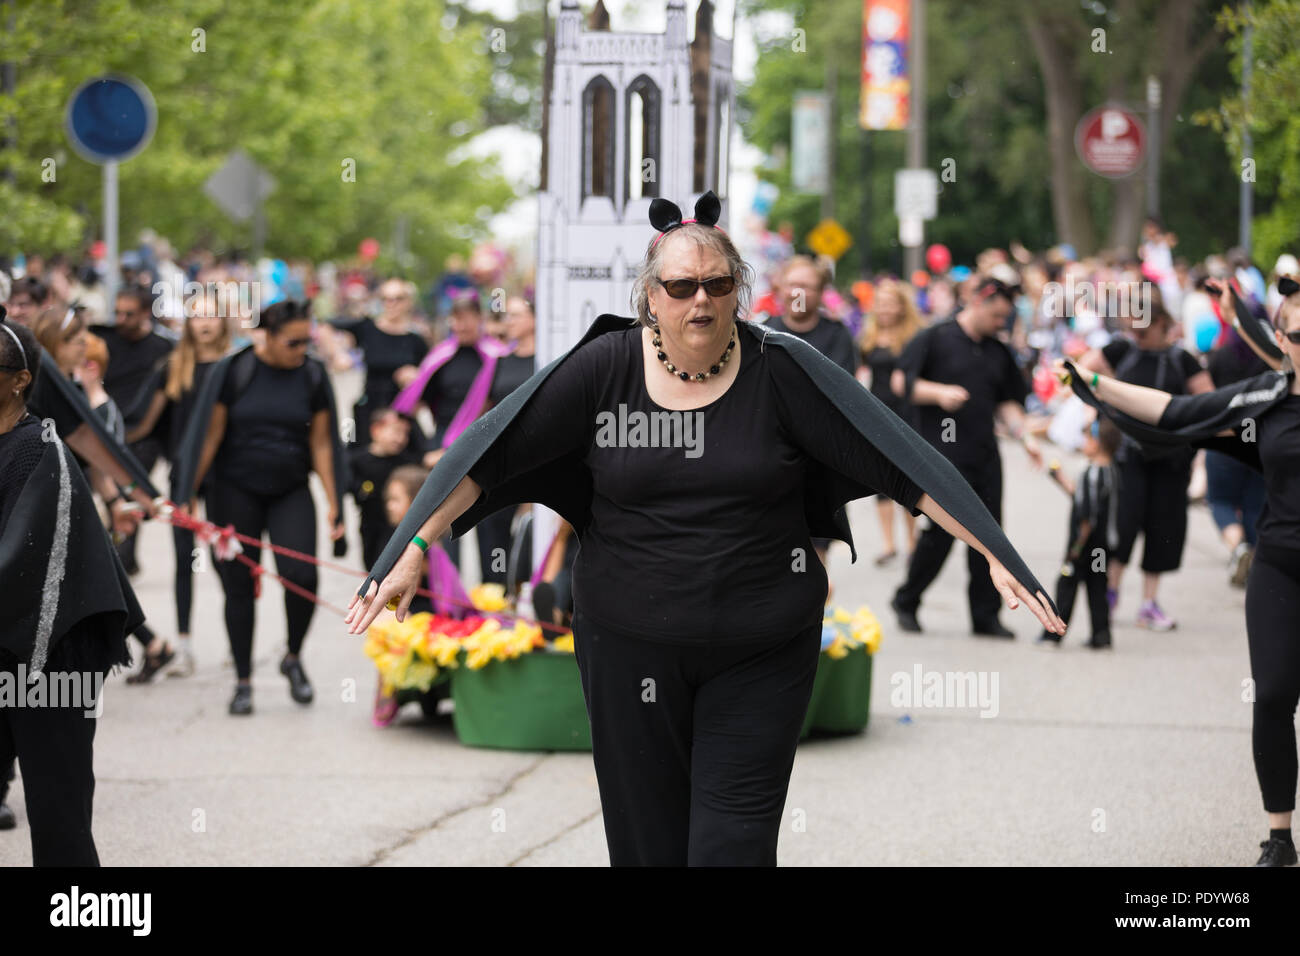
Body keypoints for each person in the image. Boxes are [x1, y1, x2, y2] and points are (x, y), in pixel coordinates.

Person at [347, 192, 1065, 866]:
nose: (701, 300)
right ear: (650, 297)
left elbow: (899, 463)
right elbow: (494, 452)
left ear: (739, 293)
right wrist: (415, 545)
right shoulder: (603, 370)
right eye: (682, 286)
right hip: (629, 649)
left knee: (730, 848)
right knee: (649, 849)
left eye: (718, 285)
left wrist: (988, 548)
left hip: (761, 650)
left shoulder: (781, 372)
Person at [1058, 279, 1300, 866]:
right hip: (1281, 565)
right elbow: (1175, 411)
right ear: (1283, 341)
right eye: (1298, 330)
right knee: (1271, 696)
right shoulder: (1266, 398)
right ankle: (1279, 837)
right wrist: (1094, 383)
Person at [0, 306, 141, 866]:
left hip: (55, 658)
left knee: (59, 820)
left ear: (19, 380)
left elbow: (20, 563)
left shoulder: (41, 451)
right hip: (5, 642)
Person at [172, 300, 348, 715]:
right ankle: (244, 680)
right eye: (293, 341)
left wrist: (334, 500)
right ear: (265, 336)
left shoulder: (311, 374)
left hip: (289, 488)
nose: (302, 349)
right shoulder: (235, 371)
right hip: (234, 491)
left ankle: (292, 657)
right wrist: (188, 493)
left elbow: (321, 442)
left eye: (308, 340)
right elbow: (208, 438)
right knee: (238, 584)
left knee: (302, 575)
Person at [889, 276, 1044, 638]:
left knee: (990, 538)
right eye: (996, 315)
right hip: (940, 456)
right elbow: (901, 382)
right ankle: (907, 599)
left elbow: (1007, 402)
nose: (1001, 323)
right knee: (941, 535)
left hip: (984, 455)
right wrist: (938, 393)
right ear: (977, 301)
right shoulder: (936, 337)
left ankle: (985, 615)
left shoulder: (998, 350)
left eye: (1006, 318)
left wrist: (1025, 437)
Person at [31, 308, 175, 681]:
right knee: (93, 575)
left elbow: (92, 452)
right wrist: (135, 495)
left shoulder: (67, 388)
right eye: (73, 339)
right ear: (51, 344)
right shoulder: (42, 385)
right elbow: (89, 444)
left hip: (64, 503)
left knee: (98, 573)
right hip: (40, 505)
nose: (83, 345)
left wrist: (130, 497)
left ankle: (147, 644)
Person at [1076, 290, 1214, 629]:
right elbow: (1078, 372)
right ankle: (1110, 593)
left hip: (1171, 459)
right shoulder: (1121, 351)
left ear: (1164, 324)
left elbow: (1209, 400)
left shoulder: (1182, 360)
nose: (1137, 336)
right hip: (1128, 456)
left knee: (1163, 528)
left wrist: (1196, 444)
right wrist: (1093, 412)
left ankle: (1149, 604)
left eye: (1144, 330)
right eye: (1133, 329)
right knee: (1121, 526)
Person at [125, 292, 233, 676]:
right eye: (196, 316)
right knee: (184, 560)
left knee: (227, 559)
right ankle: (184, 646)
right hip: (183, 475)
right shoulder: (173, 367)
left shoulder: (233, 367)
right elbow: (142, 419)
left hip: (224, 476)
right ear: (187, 323)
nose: (204, 324)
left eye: (211, 316)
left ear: (223, 321)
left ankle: (238, 639)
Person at [390, 289, 510, 572]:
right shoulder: (440, 356)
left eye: (468, 318)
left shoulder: (498, 356)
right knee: (446, 521)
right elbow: (413, 404)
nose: (462, 325)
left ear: (480, 318)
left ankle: (494, 593)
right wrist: (427, 446)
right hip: (445, 444)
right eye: (457, 318)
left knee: (488, 521)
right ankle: (451, 598)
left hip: (486, 442)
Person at [90, 285, 175, 575]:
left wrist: (144, 430)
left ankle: (121, 563)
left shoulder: (164, 349)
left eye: (129, 314)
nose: (121, 319)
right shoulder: (102, 339)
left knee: (129, 494)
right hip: (102, 431)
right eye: (118, 313)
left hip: (142, 437)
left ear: (144, 314)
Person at [1038, 416, 1122, 649]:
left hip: (1083, 545)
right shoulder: (1112, 472)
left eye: (1086, 439)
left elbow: (1086, 516)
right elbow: (1085, 500)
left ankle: (1053, 635)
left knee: (1067, 584)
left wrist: (1075, 549)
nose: (1083, 444)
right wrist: (1061, 480)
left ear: (1096, 443)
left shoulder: (1090, 474)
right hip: (1102, 547)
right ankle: (1101, 636)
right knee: (1097, 587)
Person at [857, 278, 923, 565]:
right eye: (879, 304)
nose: (884, 309)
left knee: (908, 479)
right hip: (876, 412)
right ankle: (888, 544)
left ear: (901, 306)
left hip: (906, 414)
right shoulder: (868, 337)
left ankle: (912, 542)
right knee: (880, 482)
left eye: (890, 304)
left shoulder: (914, 337)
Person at [318, 277, 428, 444]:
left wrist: (416, 377)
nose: (391, 304)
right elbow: (325, 326)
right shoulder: (367, 327)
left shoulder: (416, 340)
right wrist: (338, 354)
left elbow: (429, 378)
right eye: (386, 299)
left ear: (408, 302)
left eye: (398, 299)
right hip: (370, 409)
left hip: (400, 413)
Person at [348, 407, 424, 571]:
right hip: (371, 523)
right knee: (372, 562)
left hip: (399, 526)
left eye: (405, 433)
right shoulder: (358, 461)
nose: (401, 438)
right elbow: (350, 486)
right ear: (376, 430)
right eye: (396, 431)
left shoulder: (406, 462)